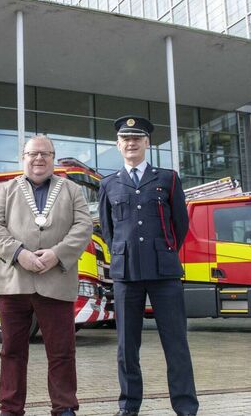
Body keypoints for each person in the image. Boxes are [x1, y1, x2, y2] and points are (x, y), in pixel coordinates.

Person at [0, 135, 93, 416]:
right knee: (11, 351)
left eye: (45, 153)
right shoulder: (7, 189)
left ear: (53, 157)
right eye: (33, 153)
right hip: (14, 283)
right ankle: (10, 409)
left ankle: (64, 407)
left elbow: (83, 227)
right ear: (24, 157)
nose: (39, 158)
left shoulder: (71, 190)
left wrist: (57, 253)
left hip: (56, 282)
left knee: (62, 352)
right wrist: (18, 253)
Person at [98, 116, 199, 416]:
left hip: (164, 273)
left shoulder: (168, 179)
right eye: (125, 139)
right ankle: (128, 406)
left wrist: (163, 252)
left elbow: (180, 225)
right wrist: (124, 254)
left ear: (146, 142)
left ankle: (186, 407)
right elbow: (108, 230)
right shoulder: (108, 184)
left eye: (136, 138)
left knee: (176, 344)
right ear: (118, 145)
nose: (131, 143)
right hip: (126, 273)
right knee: (126, 347)